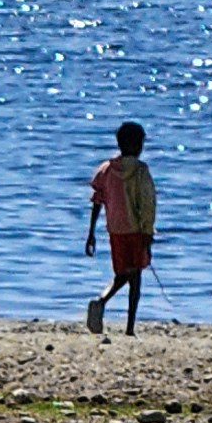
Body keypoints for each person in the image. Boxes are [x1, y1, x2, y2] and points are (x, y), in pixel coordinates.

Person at [83, 121, 157, 333]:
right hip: (135, 230)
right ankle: (128, 326)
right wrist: (148, 232)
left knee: (124, 273)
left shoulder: (106, 170)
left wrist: (91, 233)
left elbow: (97, 201)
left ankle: (102, 303)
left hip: (115, 230)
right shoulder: (141, 171)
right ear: (137, 145)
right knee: (134, 278)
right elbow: (147, 204)